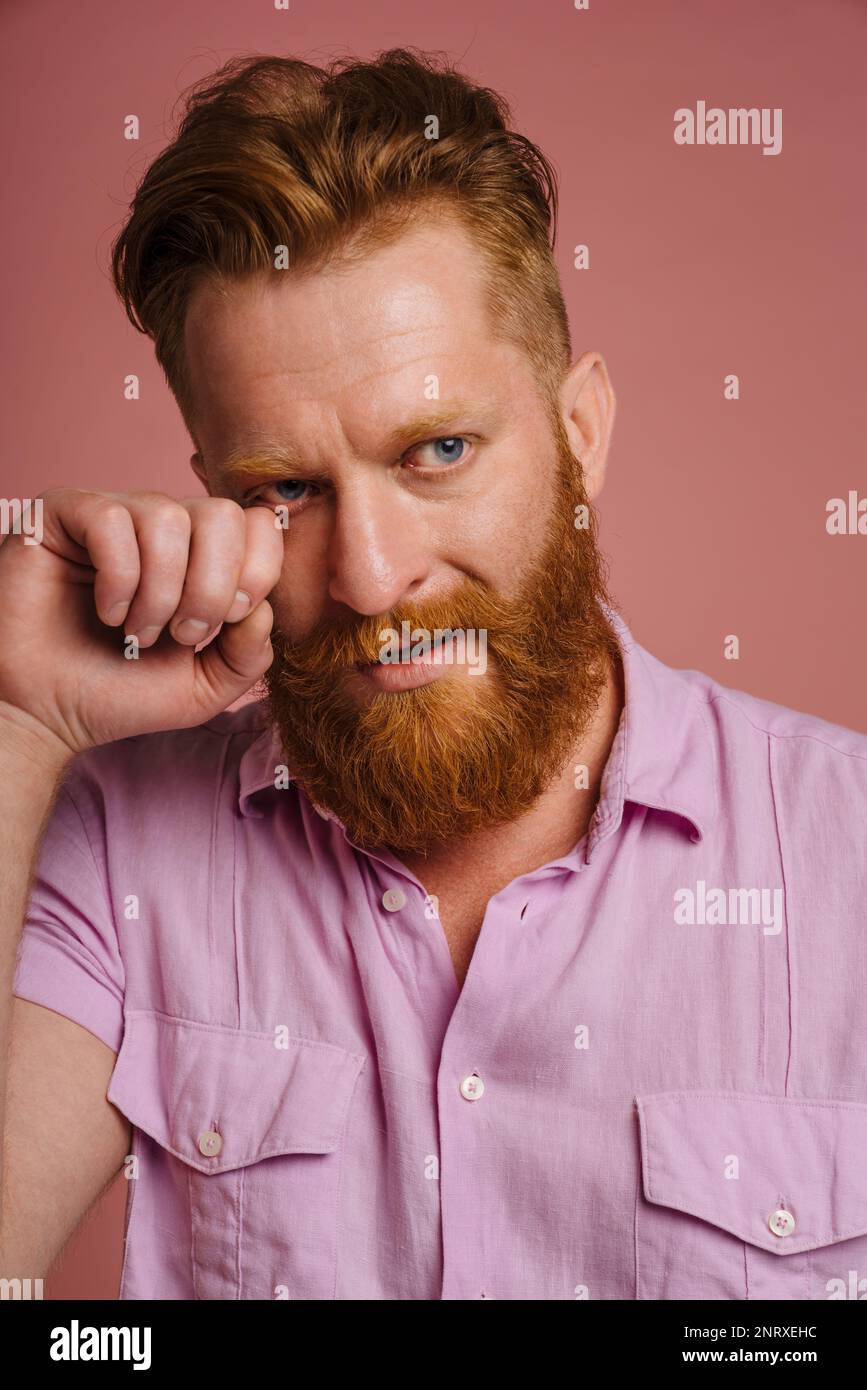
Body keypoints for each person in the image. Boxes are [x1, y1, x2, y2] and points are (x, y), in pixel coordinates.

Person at [1, 48, 865, 1302]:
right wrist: (21, 721)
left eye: (437, 450)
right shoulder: (116, 844)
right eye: (281, 489)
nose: (368, 574)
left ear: (580, 435)